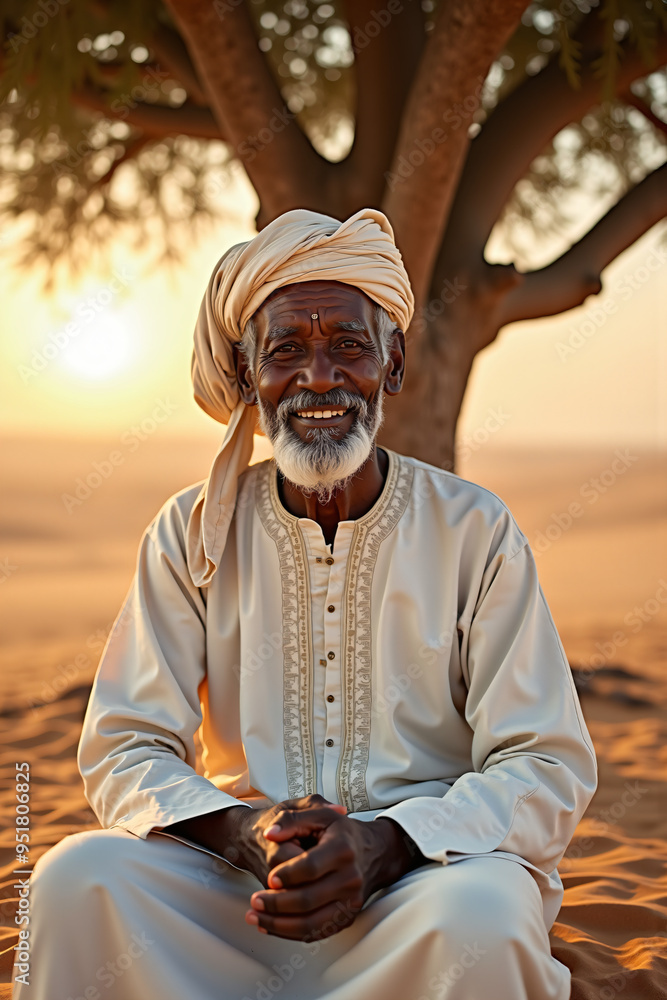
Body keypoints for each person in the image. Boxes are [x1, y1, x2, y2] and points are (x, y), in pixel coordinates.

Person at [14, 207, 597, 1000]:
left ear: (391, 364)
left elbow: (543, 761)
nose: (318, 378)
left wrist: (387, 843)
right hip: (241, 890)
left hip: (422, 885)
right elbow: (124, 746)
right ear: (248, 374)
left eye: (348, 348)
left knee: (484, 921)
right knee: (74, 879)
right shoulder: (189, 533)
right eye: (285, 351)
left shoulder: (474, 530)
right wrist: (245, 832)